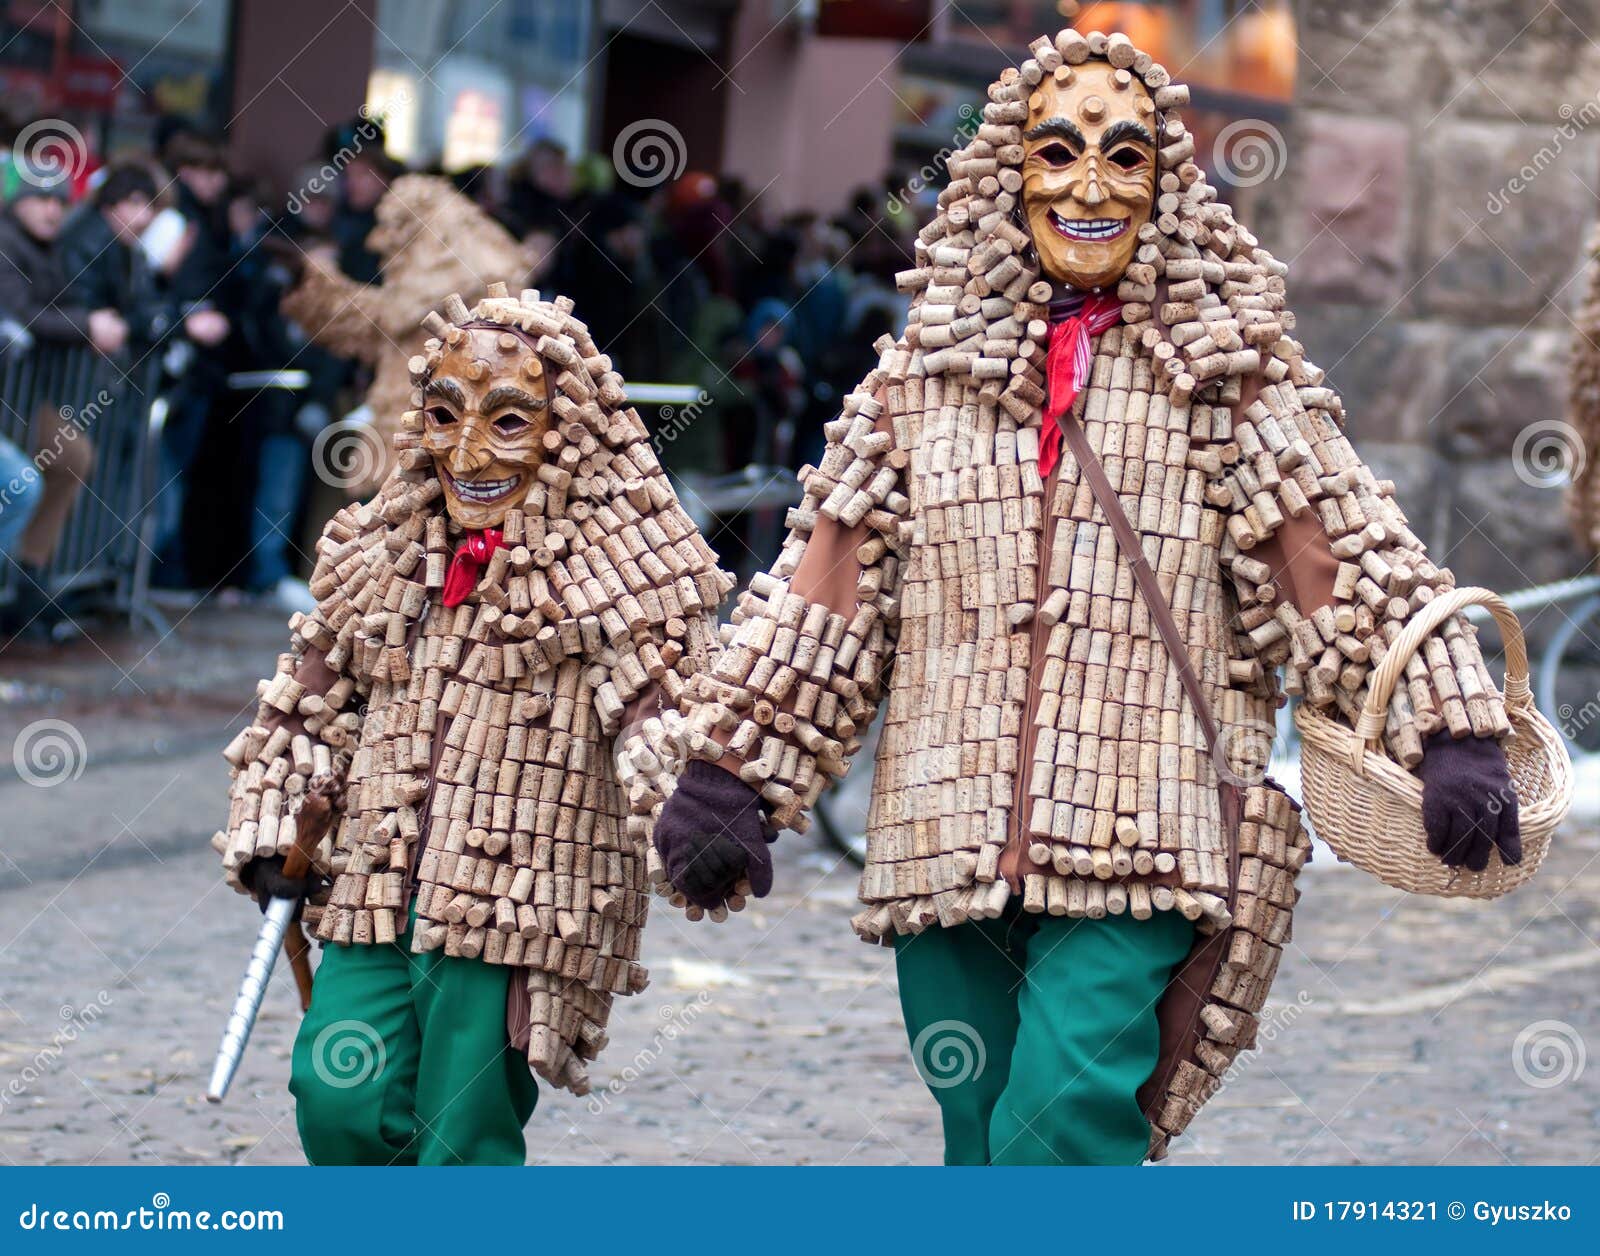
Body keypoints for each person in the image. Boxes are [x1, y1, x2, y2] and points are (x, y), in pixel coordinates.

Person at [648, 28, 1522, 1166]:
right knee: (976, 1130)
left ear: (1165, 185)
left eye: (1125, 155)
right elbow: (829, 590)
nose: (1091, 184)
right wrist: (730, 775)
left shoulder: (1228, 377)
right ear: (1010, 173)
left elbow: (1338, 562)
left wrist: (1450, 729)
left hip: (1146, 833)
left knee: (1059, 1122)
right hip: (943, 832)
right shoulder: (918, 384)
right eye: (1058, 151)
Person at [212, 285, 732, 1164]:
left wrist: (700, 808)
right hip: (373, 883)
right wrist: (271, 818)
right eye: (446, 415)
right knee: (338, 1097)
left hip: (517, 900)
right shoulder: (381, 552)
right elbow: (311, 696)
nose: (467, 452)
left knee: (462, 1135)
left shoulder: (628, 572)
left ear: (566, 432)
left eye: (508, 422)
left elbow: (659, 710)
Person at [0, 162, 120, 636]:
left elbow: (56, 308)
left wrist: (89, 322)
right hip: (10, 393)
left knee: (70, 458)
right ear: (19, 201)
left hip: (26, 396)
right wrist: (87, 327)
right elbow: (18, 316)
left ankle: (29, 575)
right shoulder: (7, 243)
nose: (52, 209)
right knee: (22, 481)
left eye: (59, 201)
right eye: (42, 199)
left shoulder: (46, 248)